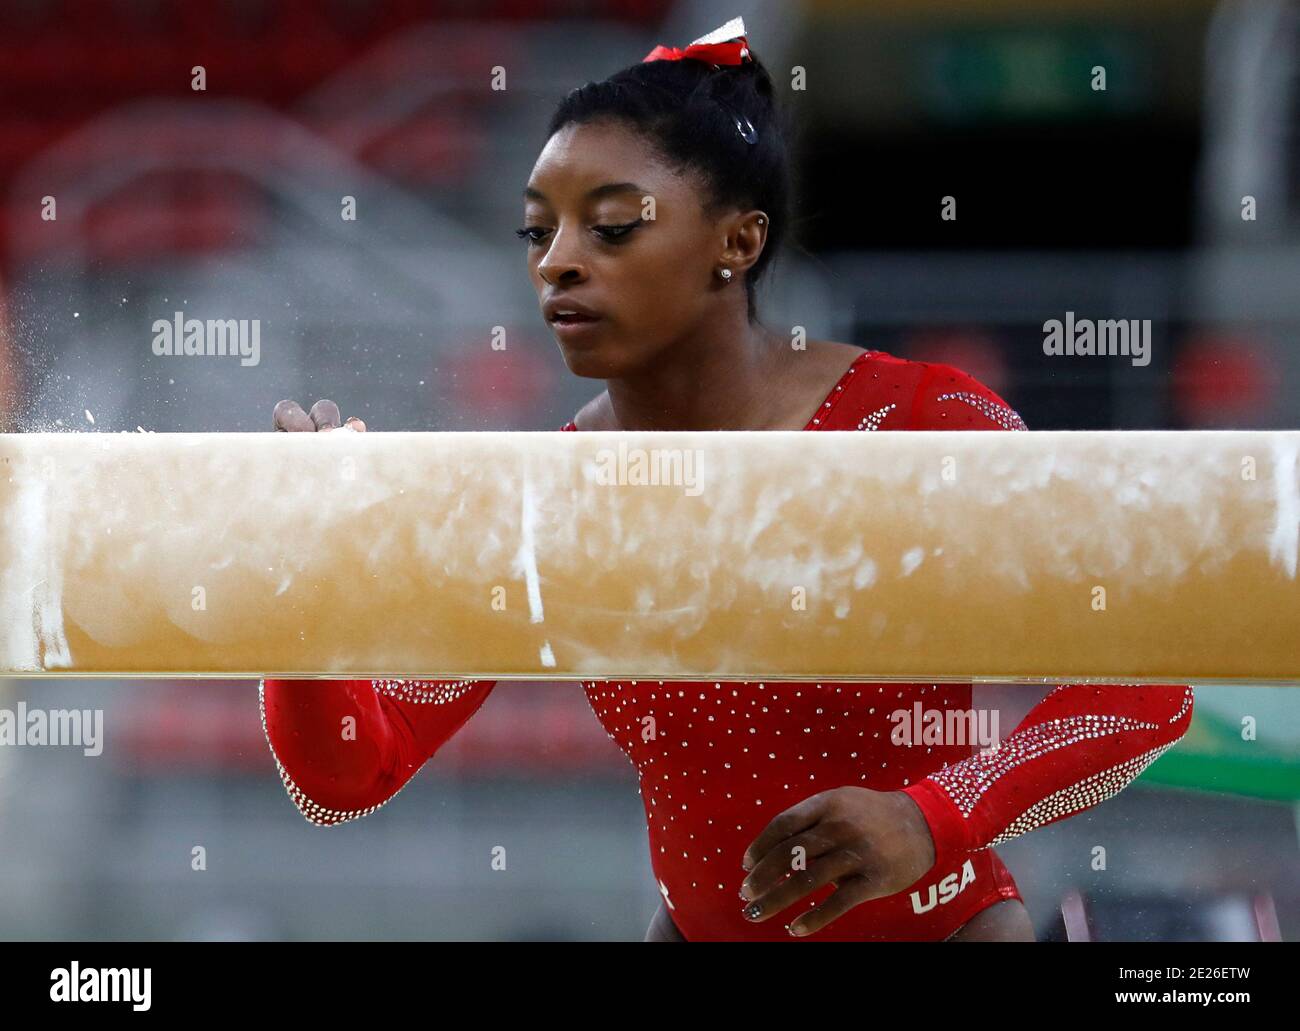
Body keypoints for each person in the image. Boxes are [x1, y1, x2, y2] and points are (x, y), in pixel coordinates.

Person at [262, 18, 1192, 941]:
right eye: (537, 230)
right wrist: (296, 591)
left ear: (737, 244)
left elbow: (1151, 688)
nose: (558, 262)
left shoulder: (917, 426)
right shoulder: (549, 495)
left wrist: (931, 818)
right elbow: (347, 781)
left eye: (613, 226)